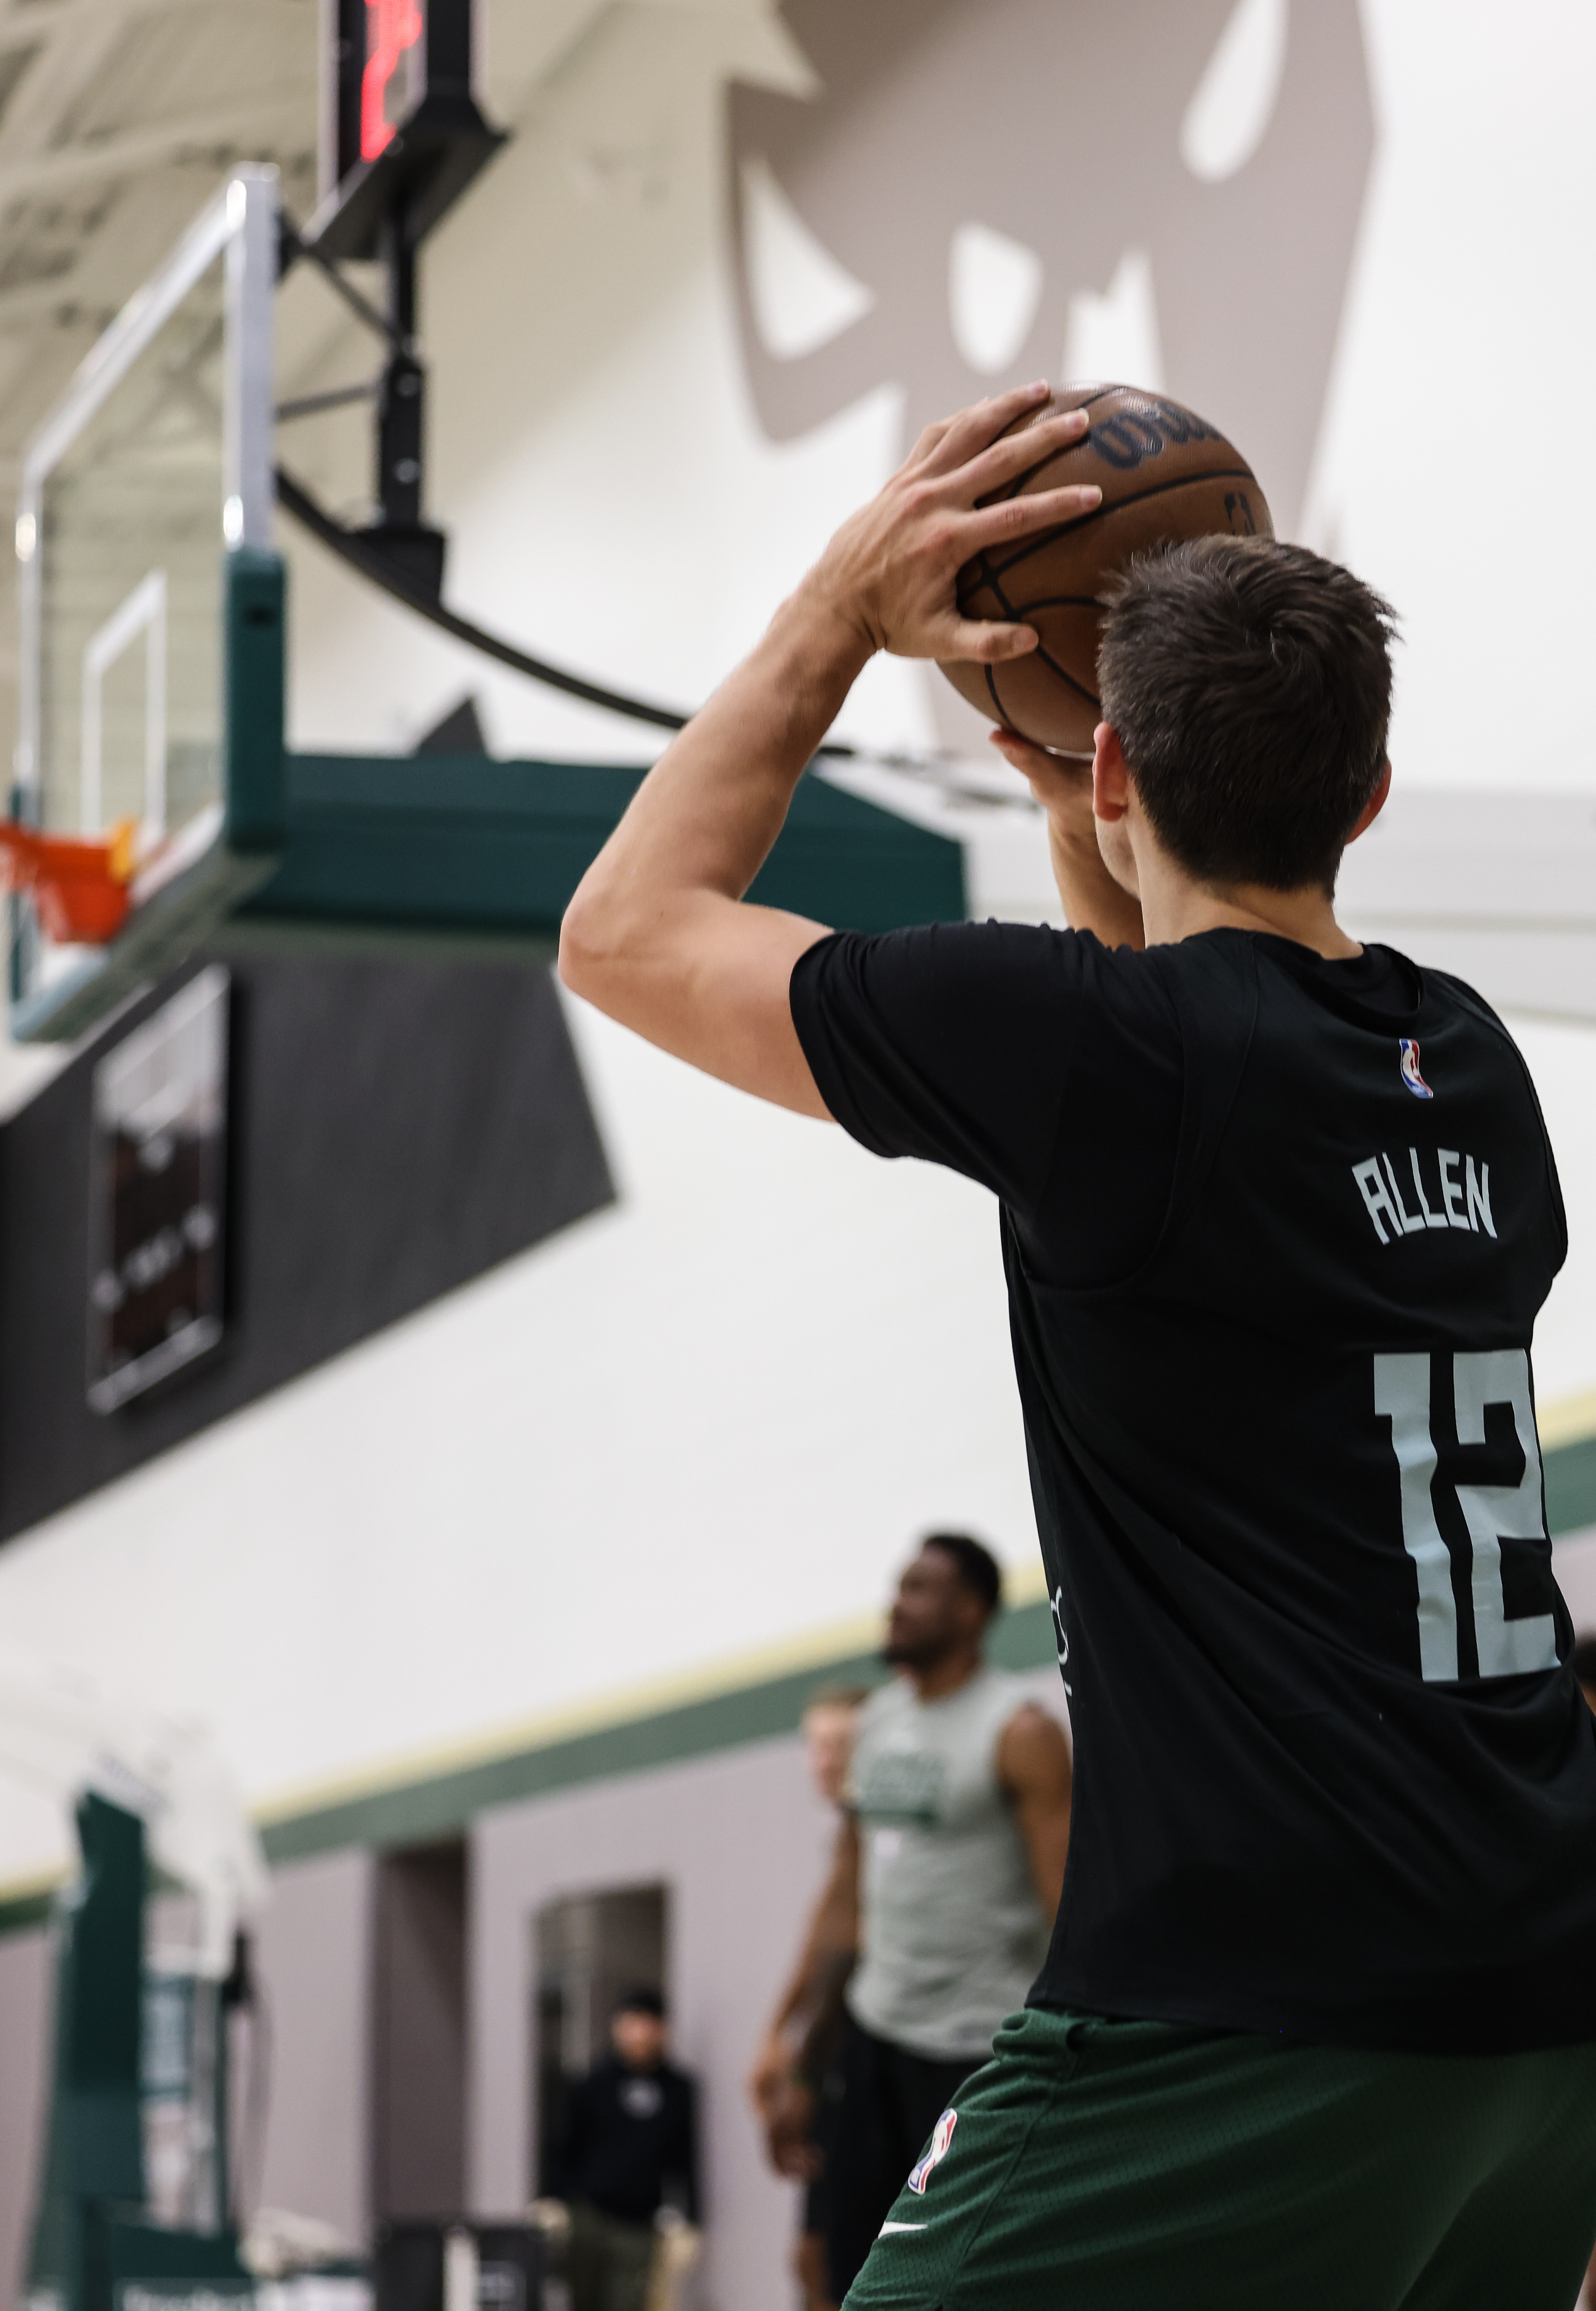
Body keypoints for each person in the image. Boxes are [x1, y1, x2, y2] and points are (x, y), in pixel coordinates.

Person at [557, 384, 1596, 2308]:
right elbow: (1178, 1122)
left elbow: (623, 931)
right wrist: (1085, 815)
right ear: (1366, 794)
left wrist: (842, 607)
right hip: (1538, 2011)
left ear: (1116, 763)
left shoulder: (1094, 1058)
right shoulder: (1470, 1069)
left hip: (1245, 2013)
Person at [756, 1538, 1070, 2305]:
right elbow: (844, 1899)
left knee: (970, 2280)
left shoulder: (1018, 1729)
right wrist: (791, 2044)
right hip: (873, 2036)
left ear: (972, 1610)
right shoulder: (877, 1720)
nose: (898, 1601)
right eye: (900, 1584)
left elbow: (1068, 1903)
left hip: (976, 2048)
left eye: (921, 1588)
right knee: (843, 2269)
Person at [750, 1683, 868, 2311]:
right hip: (835, 2055)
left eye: (839, 1745)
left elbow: (848, 1956)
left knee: (827, 2258)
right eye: (814, 1746)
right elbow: (820, 1941)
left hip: (869, 2058)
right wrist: (774, 2033)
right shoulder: (849, 1834)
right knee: (812, 2258)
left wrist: (799, 2074)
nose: (823, 1761)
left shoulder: (881, 1829)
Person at [541, 1988, 699, 2311]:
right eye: (633, 2024)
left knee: (628, 2300)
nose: (640, 2034)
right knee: (582, 2299)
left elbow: (686, 2158)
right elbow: (564, 2145)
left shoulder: (678, 2090)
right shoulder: (592, 2083)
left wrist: (692, 2218)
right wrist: (551, 2198)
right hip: (588, 2213)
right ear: (618, 2027)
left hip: (639, 2221)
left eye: (649, 2025)